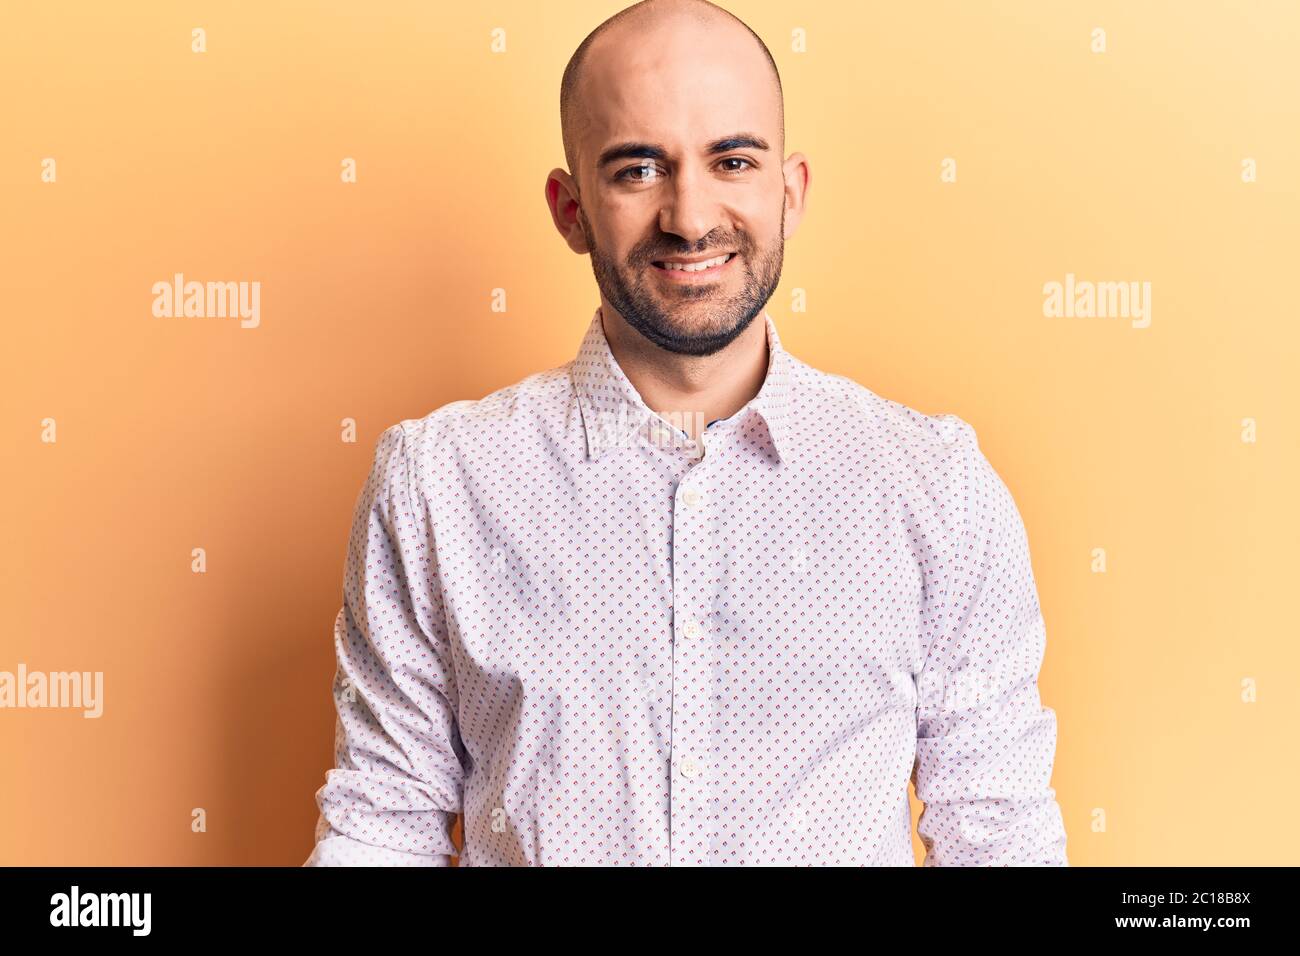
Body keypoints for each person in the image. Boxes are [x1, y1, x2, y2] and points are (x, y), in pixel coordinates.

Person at [304, 0, 1068, 866]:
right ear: (569, 209)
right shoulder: (438, 483)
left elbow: (999, 835)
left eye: (731, 160)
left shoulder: (936, 486)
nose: (690, 216)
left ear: (791, 192)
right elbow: (381, 829)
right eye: (637, 169)